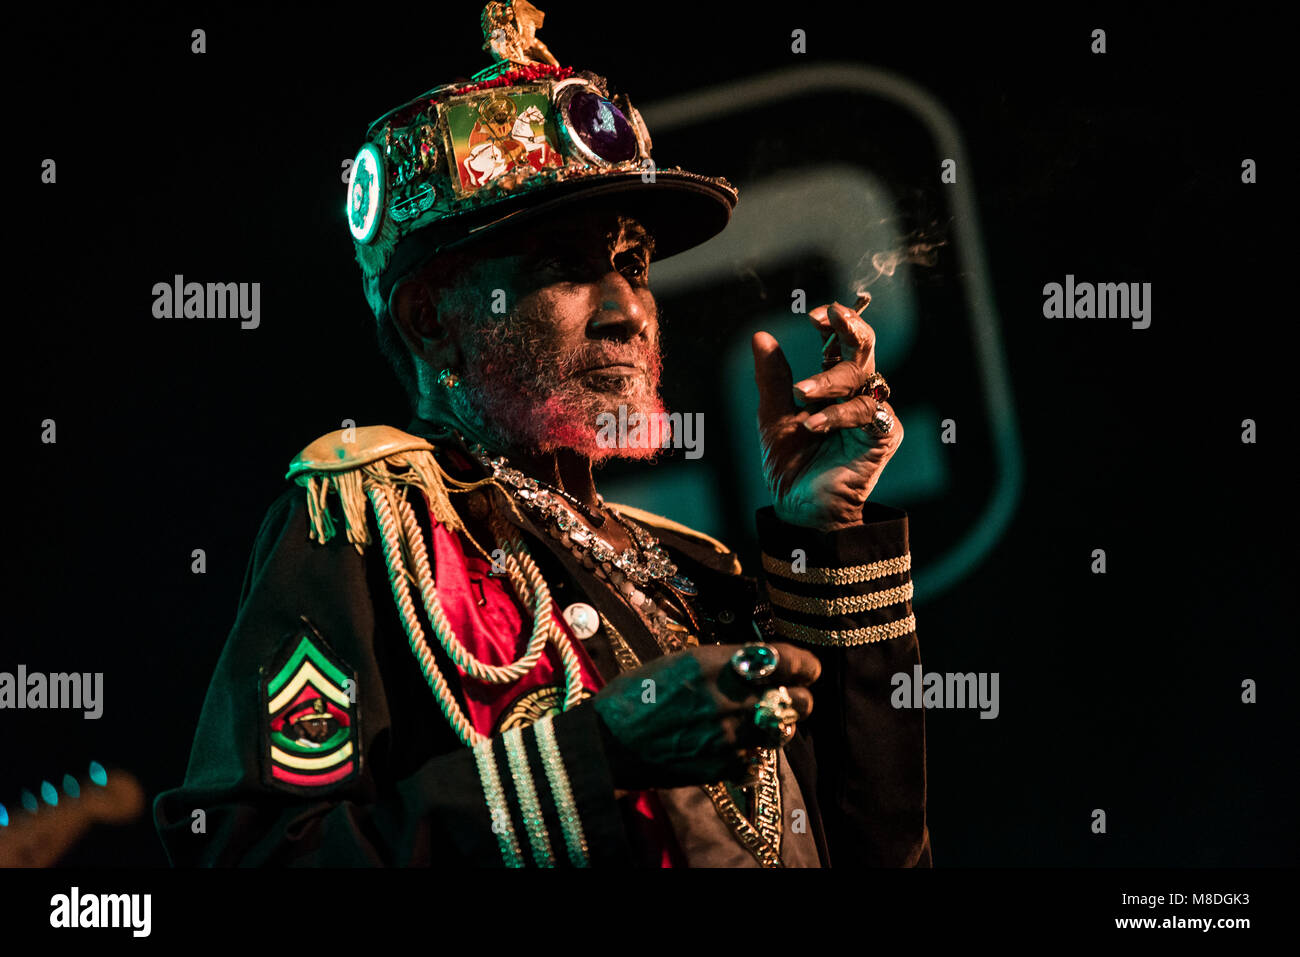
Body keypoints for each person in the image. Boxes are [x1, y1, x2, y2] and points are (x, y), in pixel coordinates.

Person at [154, 3, 931, 868]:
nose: (626, 309)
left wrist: (828, 541)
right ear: (430, 321)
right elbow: (252, 854)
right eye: (563, 267)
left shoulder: (695, 573)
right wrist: (595, 758)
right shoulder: (364, 534)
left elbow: (878, 848)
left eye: (632, 263)